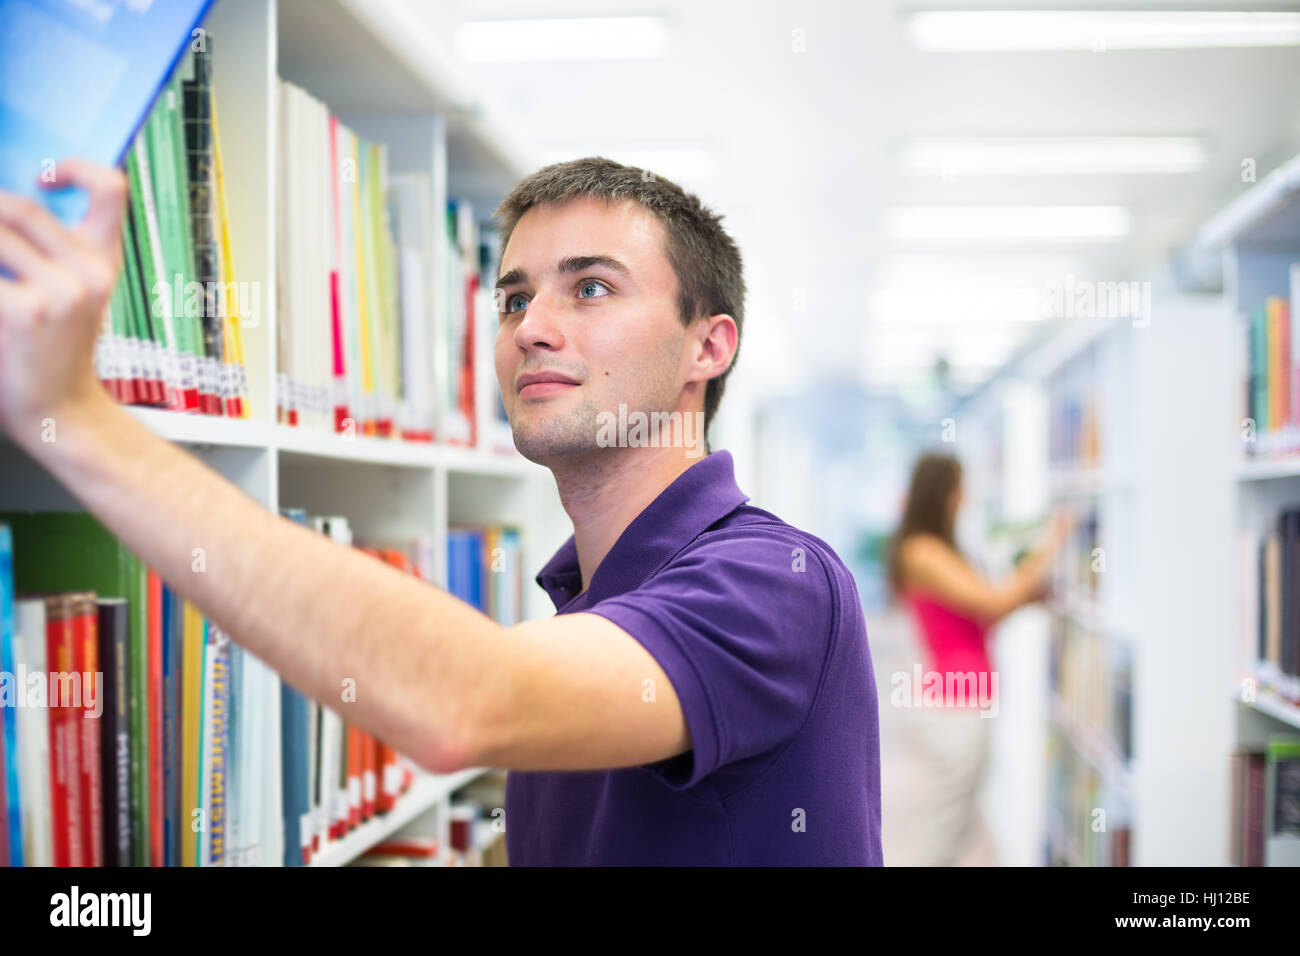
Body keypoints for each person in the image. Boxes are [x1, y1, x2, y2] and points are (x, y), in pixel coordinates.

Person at [0, 157, 882, 865]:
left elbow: (464, 703)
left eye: (591, 289)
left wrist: (74, 415)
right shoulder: (589, 600)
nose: (532, 326)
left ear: (709, 344)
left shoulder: (773, 582)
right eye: (513, 299)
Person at [885, 451, 1067, 865]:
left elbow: (979, 613)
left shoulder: (938, 549)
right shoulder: (923, 551)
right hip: (954, 704)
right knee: (947, 823)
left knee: (961, 818)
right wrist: (1051, 544)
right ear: (942, 492)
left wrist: (1025, 597)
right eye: (959, 486)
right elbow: (992, 603)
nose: (964, 496)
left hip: (966, 697)